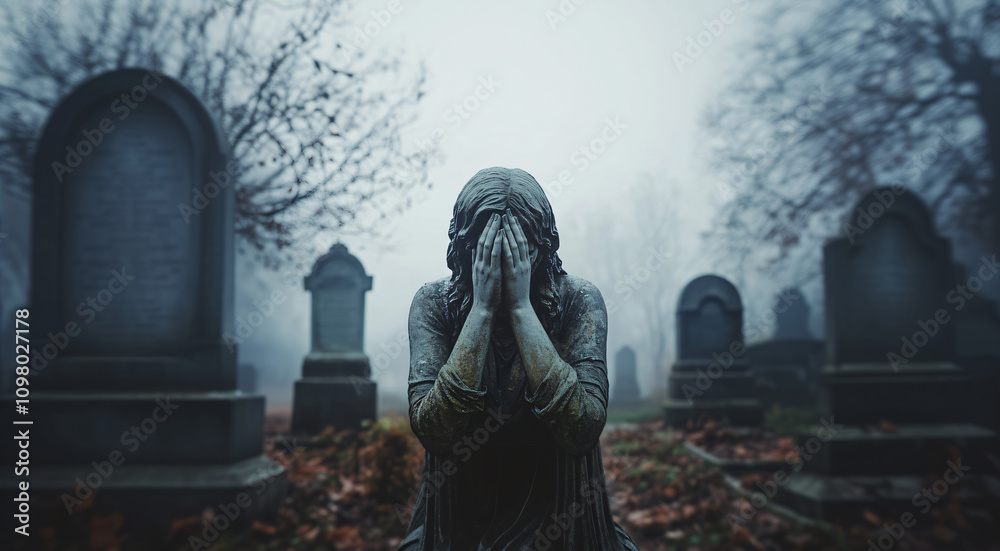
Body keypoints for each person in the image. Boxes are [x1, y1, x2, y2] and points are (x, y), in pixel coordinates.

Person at [399, 167, 638, 550]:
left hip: (560, 520)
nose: (504, 265)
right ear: (464, 250)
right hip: (461, 522)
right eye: (487, 252)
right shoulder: (434, 305)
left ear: (541, 249)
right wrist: (481, 310)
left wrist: (522, 310)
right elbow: (434, 430)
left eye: (518, 252)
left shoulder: (578, 300)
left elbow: (582, 428)